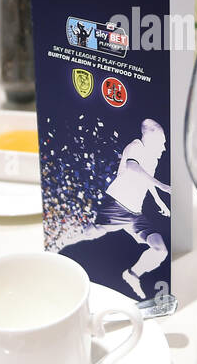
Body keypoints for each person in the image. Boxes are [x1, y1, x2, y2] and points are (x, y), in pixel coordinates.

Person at [61, 119, 171, 299]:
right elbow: (132, 167)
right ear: (151, 137)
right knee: (95, 232)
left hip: (135, 213)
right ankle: (65, 237)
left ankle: (132, 274)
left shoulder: (151, 158)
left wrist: (160, 202)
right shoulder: (137, 146)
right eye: (162, 142)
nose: (164, 147)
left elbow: (147, 180)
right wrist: (163, 186)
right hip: (117, 205)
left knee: (160, 250)